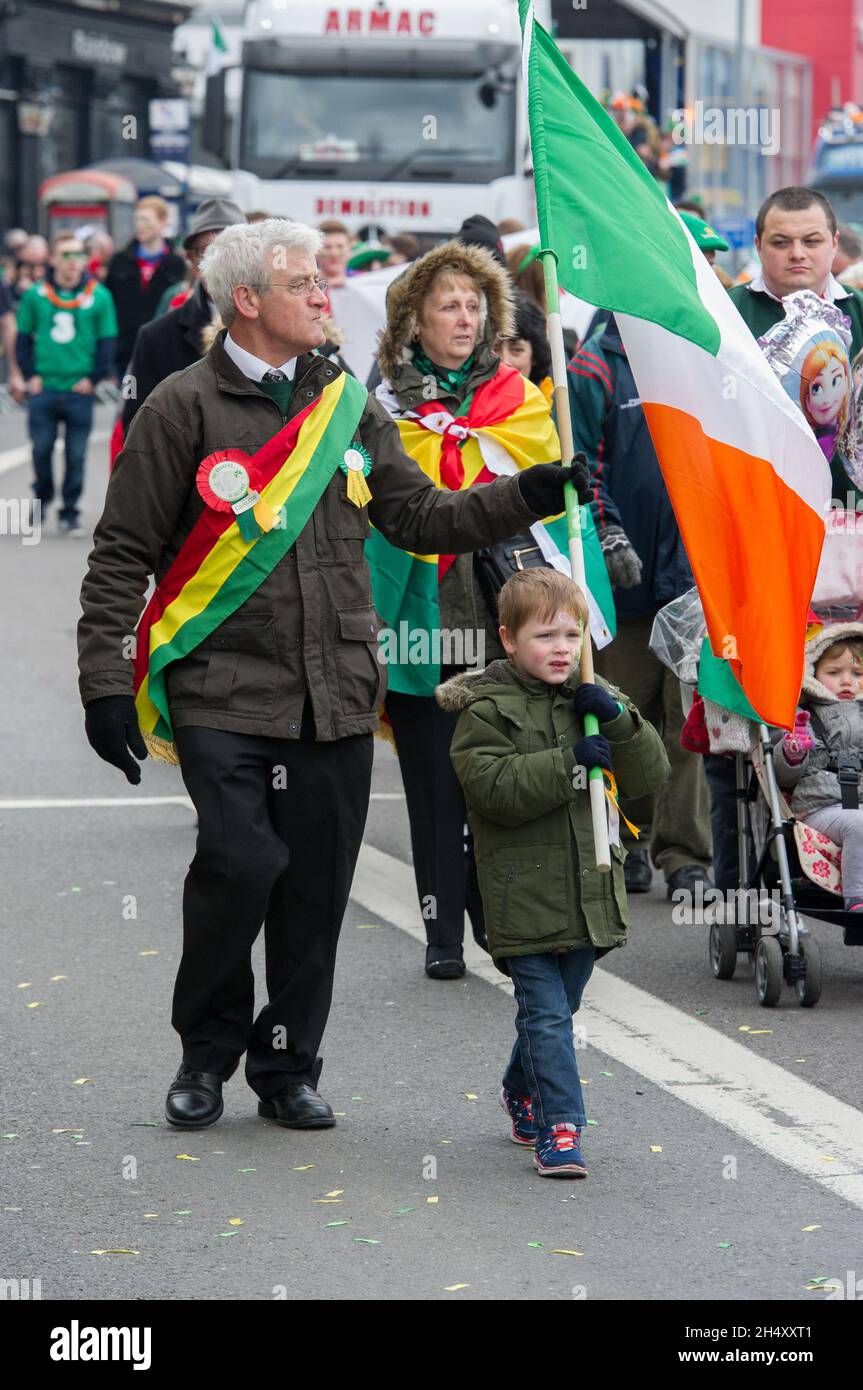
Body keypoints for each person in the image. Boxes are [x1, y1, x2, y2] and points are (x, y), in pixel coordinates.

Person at [76, 218, 580, 1132]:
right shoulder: (182, 407)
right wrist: (104, 683)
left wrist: (527, 494)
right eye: (304, 284)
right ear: (246, 302)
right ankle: (206, 1049)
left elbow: (419, 517)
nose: (323, 296)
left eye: (319, 280)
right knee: (239, 862)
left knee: (312, 891)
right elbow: (120, 555)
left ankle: (286, 1066)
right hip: (221, 686)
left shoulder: (348, 404)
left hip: (338, 690)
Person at [371, 238, 583, 979]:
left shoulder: (522, 401)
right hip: (418, 615)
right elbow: (382, 506)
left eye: (474, 306)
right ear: (412, 321)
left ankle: (505, 922)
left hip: (500, 611)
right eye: (446, 306)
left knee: (504, 775)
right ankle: (441, 934)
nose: (463, 319)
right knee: (434, 782)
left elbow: (543, 501)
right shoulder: (381, 408)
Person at [439, 567, 668, 1176]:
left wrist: (618, 722)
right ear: (508, 639)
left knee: (557, 1012)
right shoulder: (485, 710)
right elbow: (492, 789)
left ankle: (521, 1087)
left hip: (591, 889)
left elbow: (651, 776)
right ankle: (561, 1128)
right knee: (546, 1014)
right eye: (545, 636)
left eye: (572, 635)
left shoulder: (595, 697)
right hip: (521, 894)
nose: (562, 649)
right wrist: (569, 762)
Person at [567, 310, 714, 898]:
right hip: (622, 585)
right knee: (626, 719)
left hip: (688, 583)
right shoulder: (593, 368)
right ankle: (627, 835)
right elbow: (580, 466)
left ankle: (685, 858)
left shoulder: (693, 360)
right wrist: (607, 532)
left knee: (686, 727)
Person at [16, 232, 117, 536]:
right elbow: (22, 340)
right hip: (45, 388)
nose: (72, 262)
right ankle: (42, 496)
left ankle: (70, 510)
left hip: (78, 389)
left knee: (75, 453)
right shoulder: (36, 295)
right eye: (66, 255)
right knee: (41, 449)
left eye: (77, 255)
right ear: (53, 259)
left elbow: (107, 342)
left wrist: (93, 379)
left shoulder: (99, 296)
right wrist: (30, 374)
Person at [120, 199, 246, 436]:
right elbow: (136, 427)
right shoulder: (155, 337)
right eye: (207, 251)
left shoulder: (281, 329)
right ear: (191, 259)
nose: (217, 261)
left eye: (230, 250)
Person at [774, 623, 863, 912]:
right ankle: (857, 898)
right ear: (813, 674)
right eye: (834, 673)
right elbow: (785, 778)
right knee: (858, 825)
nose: (847, 681)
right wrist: (793, 751)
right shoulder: (804, 716)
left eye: (858, 674)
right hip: (821, 808)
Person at [105, 196, 185, 375]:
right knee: (130, 400)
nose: (140, 225)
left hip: (165, 353)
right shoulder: (120, 261)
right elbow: (109, 307)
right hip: (126, 354)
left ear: (163, 222)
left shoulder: (177, 265)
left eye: (146, 220)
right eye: (137, 220)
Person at [495, 289, 553, 404]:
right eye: (495, 348)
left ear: (535, 356)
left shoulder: (557, 409)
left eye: (516, 350)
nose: (505, 362)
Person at [317, 219, 353, 289]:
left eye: (340, 246)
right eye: (327, 247)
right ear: (316, 251)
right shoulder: (304, 285)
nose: (334, 254)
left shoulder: (365, 279)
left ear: (349, 249)